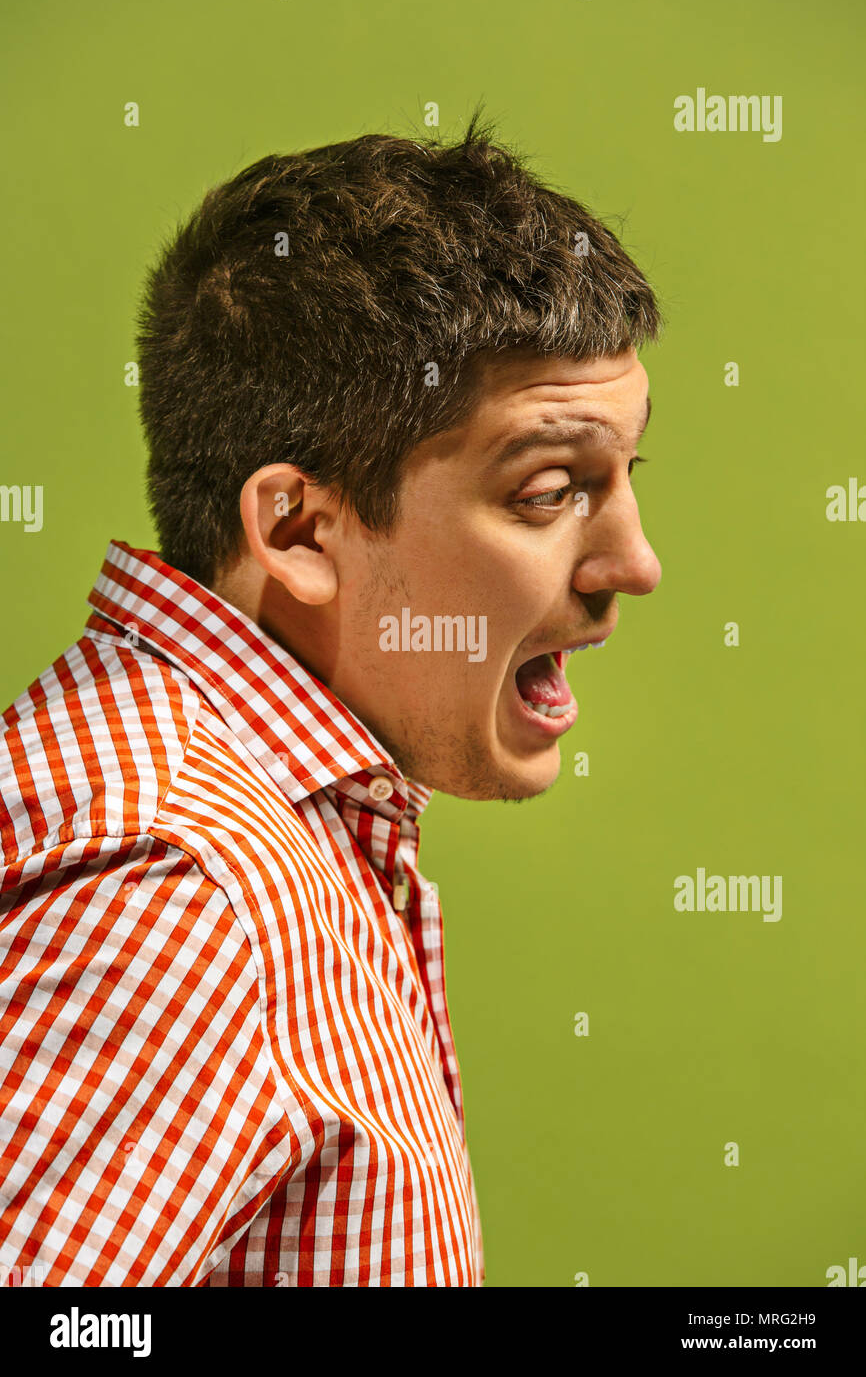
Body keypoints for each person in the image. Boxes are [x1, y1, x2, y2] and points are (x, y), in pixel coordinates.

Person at [0, 114, 661, 1286]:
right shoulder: (176, 902)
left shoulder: (274, 822)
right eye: (550, 489)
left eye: (621, 481)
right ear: (299, 529)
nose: (632, 561)